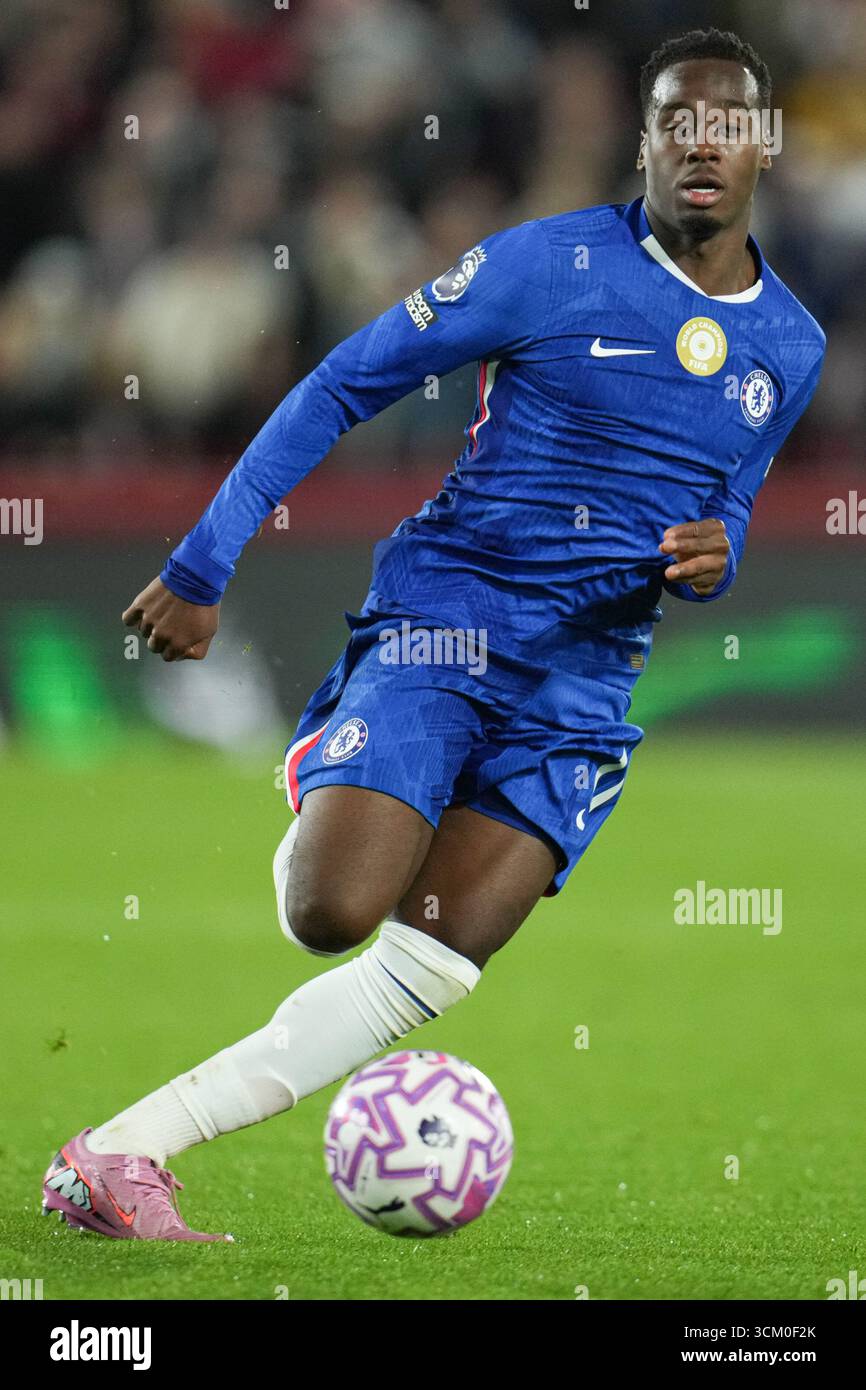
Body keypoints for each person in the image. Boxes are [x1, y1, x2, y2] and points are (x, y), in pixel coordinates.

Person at [43, 28, 825, 1240]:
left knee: (432, 966)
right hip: (449, 622)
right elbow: (344, 380)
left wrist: (718, 562)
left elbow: (715, 520)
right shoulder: (546, 264)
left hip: (582, 683)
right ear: (644, 141)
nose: (699, 143)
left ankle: (120, 1153)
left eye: (725, 122)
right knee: (330, 917)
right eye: (674, 119)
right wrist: (202, 562)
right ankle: (335, 760)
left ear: (765, 143)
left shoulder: (790, 345)